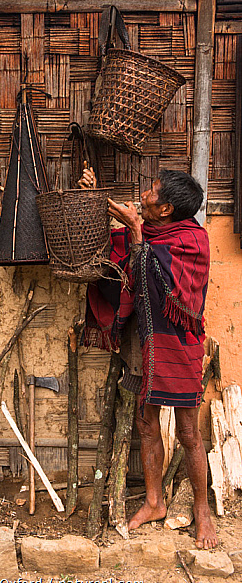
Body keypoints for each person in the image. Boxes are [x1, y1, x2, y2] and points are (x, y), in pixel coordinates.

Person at [79, 166, 218, 549]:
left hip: (179, 344)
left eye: (153, 191)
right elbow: (122, 263)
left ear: (166, 208)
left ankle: (203, 513)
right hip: (144, 340)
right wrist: (92, 195)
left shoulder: (193, 242)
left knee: (189, 433)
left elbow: (154, 277)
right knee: (146, 425)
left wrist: (137, 233)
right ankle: (154, 502)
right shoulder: (150, 230)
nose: (145, 193)